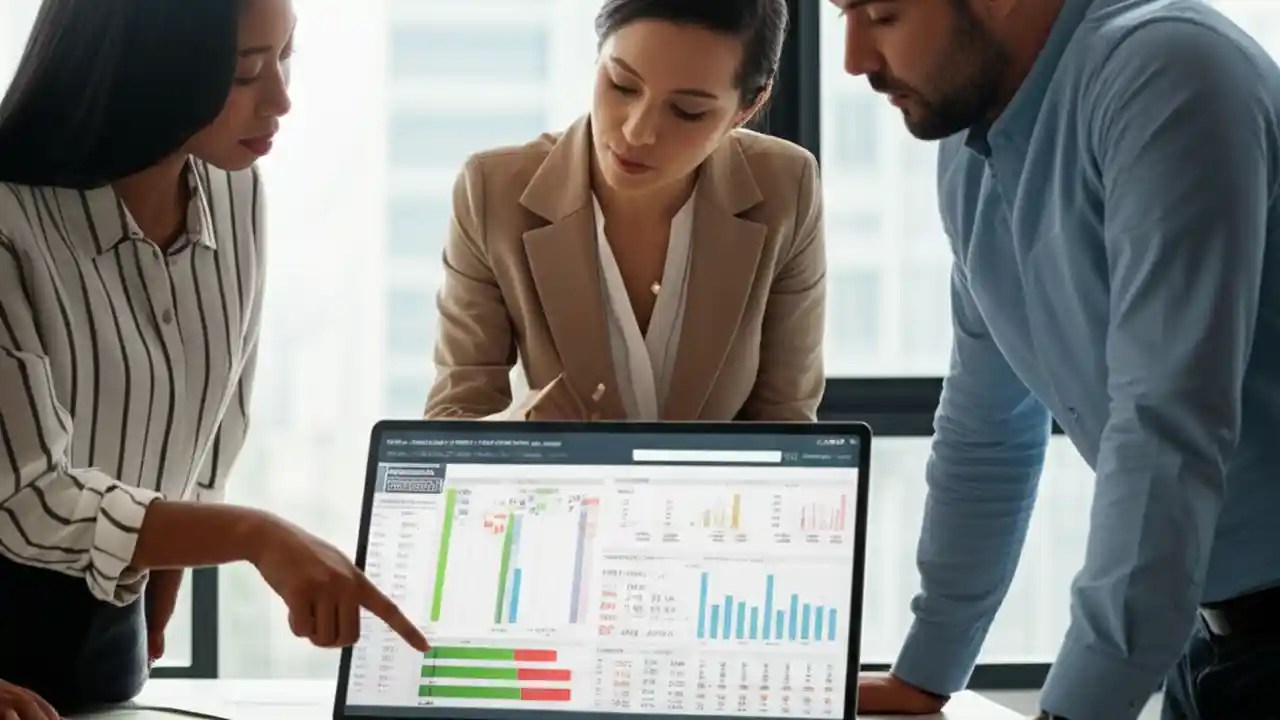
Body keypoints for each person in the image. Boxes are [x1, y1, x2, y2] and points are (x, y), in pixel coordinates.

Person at [829, 0, 1280, 718]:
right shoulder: (973, 154)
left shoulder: (1166, 73)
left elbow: (1164, 434)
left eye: (881, 13)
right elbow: (987, 433)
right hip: (1207, 634)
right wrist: (925, 678)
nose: (853, 57)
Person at [0, 1, 428, 717]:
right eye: (244, 72)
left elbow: (216, 413)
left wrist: (175, 546)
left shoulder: (233, 192)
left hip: (107, 654)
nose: (281, 98)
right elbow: (25, 497)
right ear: (146, 69)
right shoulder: (12, 224)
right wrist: (253, 536)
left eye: (285, 56)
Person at [424, 0, 826, 423]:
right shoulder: (493, 192)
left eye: (687, 111)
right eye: (622, 85)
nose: (637, 131)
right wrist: (519, 429)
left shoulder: (785, 188)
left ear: (747, 108)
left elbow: (787, 426)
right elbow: (452, 418)